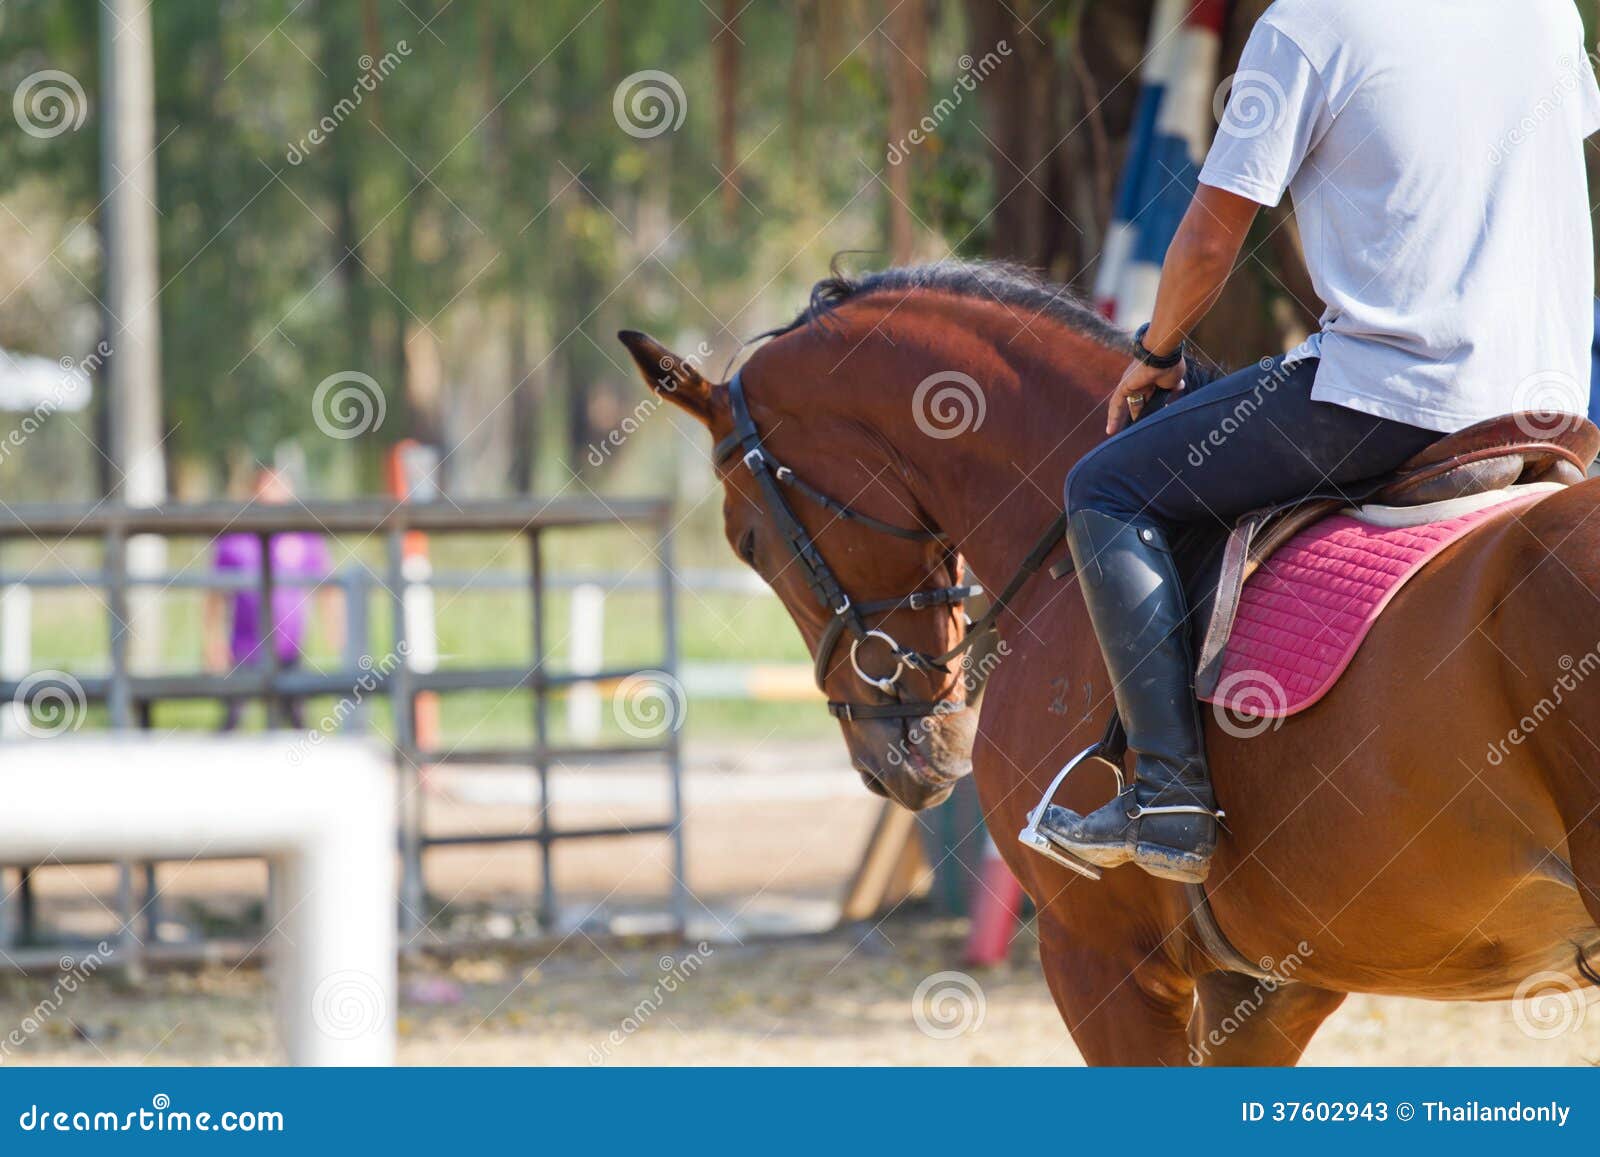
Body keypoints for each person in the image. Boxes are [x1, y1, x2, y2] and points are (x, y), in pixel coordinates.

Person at [1040, 0, 1600, 883]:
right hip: (1554, 398)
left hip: (1393, 394)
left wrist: (1155, 351)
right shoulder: (1544, 14)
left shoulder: (1307, 28)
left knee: (1107, 489)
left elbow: (1211, 235)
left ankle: (1171, 797)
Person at [203, 467, 343, 730]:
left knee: (298, 719)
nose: (274, 494)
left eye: (279, 487)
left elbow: (327, 584)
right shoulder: (235, 538)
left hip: (289, 648)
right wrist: (212, 642)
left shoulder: (304, 536)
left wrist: (335, 629)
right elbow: (214, 594)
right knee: (232, 719)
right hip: (244, 650)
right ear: (254, 491)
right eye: (268, 487)